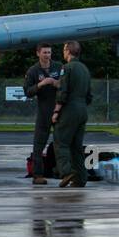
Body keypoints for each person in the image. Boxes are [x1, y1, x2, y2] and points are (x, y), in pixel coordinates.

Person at [51, 40, 91, 188]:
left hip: (70, 108)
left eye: (64, 49)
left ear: (68, 50)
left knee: (60, 141)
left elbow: (63, 92)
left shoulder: (67, 68)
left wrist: (56, 111)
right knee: (76, 146)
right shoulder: (85, 69)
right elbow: (89, 95)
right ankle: (81, 177)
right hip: (82, 109)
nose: (63, 52)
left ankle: (66, 172)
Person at [24, 42, 60, 185]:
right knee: (38, 144)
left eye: (49, 52)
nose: (47, 55)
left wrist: (57, 83)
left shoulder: (58, 67)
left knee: (61, 143)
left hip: (59, 110)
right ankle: (38, 175)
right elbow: (27, 92)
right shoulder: (33, 71)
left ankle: (63, 172)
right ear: (38, 53)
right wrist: (42, 84)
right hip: (44, 111)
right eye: (44, 52)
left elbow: (66, 84)